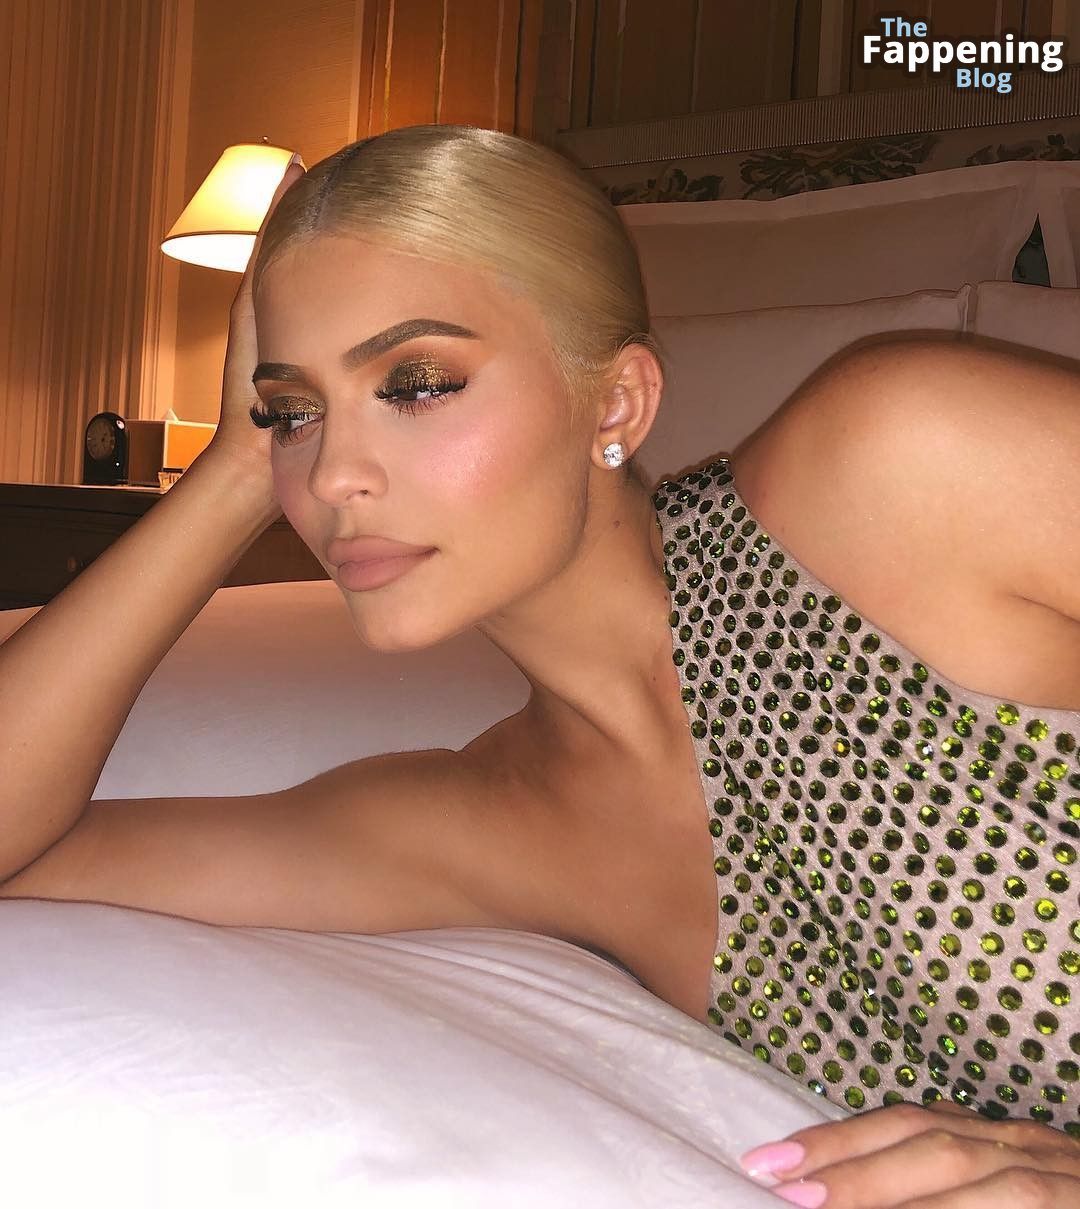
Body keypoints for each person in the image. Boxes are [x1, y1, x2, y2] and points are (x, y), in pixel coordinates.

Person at [1, 124, 1077, 1206]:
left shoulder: (900, 458)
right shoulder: (481, 825)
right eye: (295, 412)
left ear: (616, 402)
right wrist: (236, 469)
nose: (331, 477)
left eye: (417, 383)